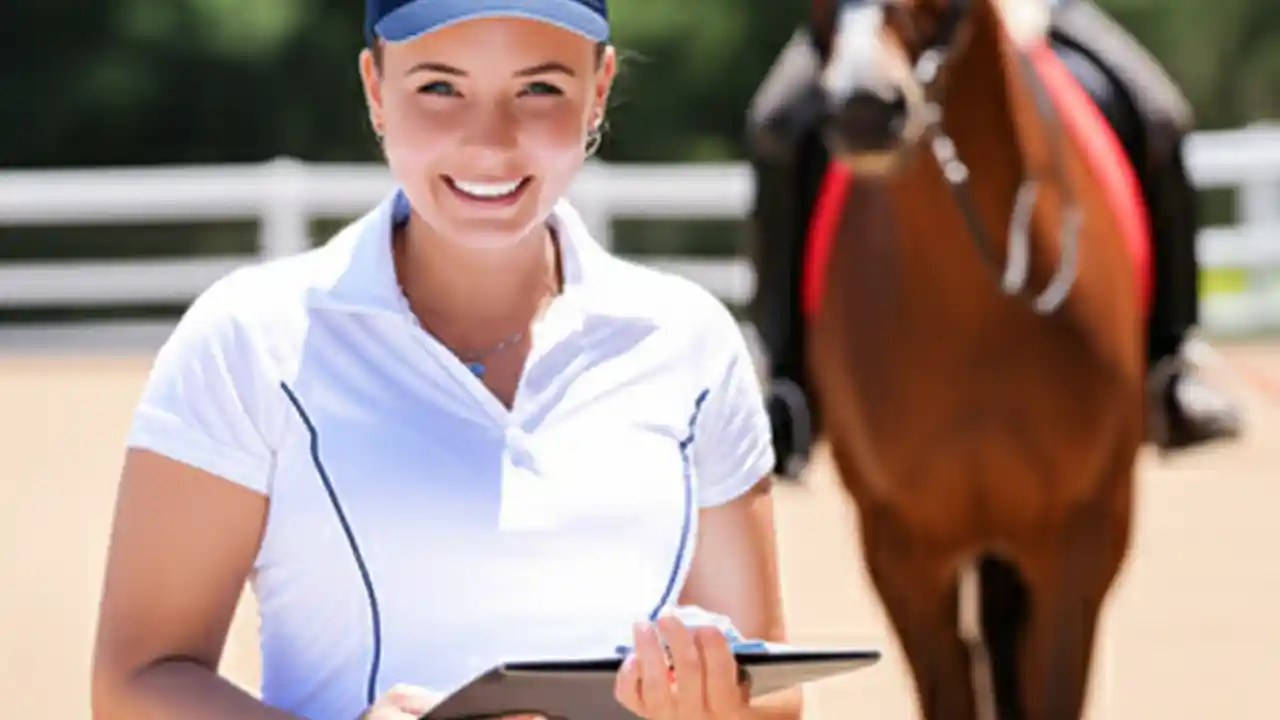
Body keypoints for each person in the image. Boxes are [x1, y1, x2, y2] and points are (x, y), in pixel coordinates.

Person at [90, 2, 802, 720]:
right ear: (375, 89)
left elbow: (772, 694)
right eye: (439, 87)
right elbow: (135, 684)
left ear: (599, 91)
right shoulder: (249, 341)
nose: (489, 144)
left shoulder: (692, 344)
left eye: (539, 89)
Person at [745, 0, 1242, 480]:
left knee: (1161, 118)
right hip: (866, 17)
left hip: (1026, 8)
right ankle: (786, 382)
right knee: (774, 124)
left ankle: (1171, 365)